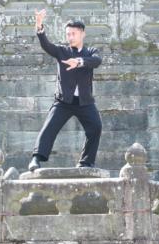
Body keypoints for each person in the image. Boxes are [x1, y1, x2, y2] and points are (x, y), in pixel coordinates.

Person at [28, 9, 103, 171]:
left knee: (96, 127)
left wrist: (79, 62)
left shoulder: (91, 52)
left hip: (85, 102)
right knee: (49, 127)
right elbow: (46, 45)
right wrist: (39, 25)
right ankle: (36, 158)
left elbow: (97, 61)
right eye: (68, 34)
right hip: (63, 101)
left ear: (82, 34)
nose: (70, 37)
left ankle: (86, 162)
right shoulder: (62, 51)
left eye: (73, 34)